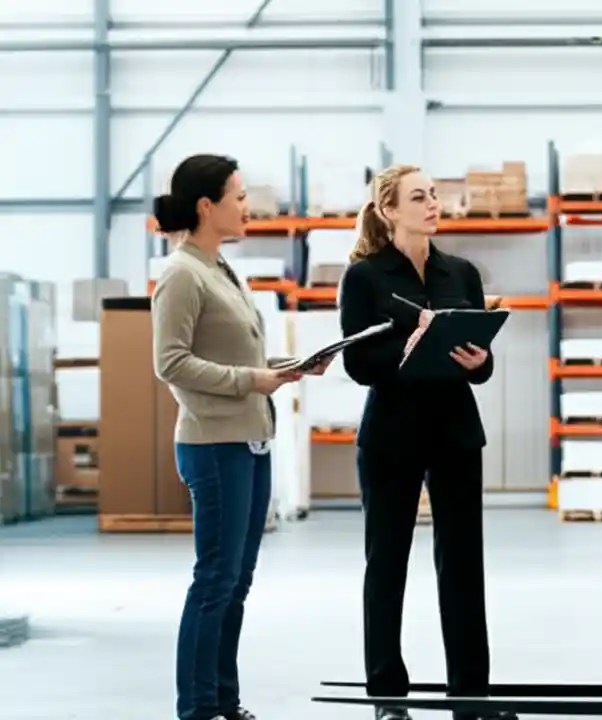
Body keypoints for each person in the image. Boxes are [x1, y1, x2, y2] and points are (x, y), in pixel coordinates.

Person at [151, 153, 331, 720]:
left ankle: (224, 704)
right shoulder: (181, 273)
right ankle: (198, 710)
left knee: (236, 583)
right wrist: (254, 380)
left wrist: (289, 365)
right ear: (207, 206)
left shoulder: (219, 267)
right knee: (214, 581)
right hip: (213, 443)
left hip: (250, 440)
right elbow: (171, 363)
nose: (247, 206)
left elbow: (234, 353)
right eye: (238, 196)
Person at [337, 164, 512, 720]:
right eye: (419, 197)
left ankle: (471, 695)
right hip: (392, 431)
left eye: (434, 195)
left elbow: (479, 368)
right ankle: (388, 698)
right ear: (389, 209)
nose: (432, 203)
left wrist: (481, 360)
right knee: (386, 564)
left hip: (455, 429)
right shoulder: (364, 277)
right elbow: (358, 362)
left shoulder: (461, 273)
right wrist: (410, 347)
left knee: (463, 566)